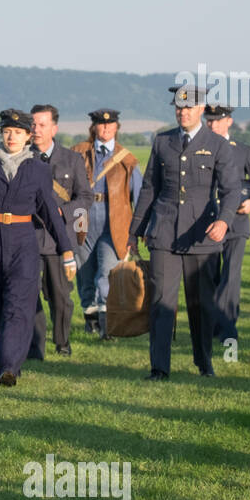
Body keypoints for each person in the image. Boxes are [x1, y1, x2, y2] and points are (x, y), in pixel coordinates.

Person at [0, 109, 76, 386]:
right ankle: (0, 362)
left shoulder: (38, 169)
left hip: (24, 241)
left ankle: (9, 367)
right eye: (7, 131)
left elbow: (50, 212)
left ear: (28, 137)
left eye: (18, 132)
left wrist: (66, 249)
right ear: (1, 134)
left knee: (18, 305)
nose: (12, 137)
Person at [128, 84, 240, 380]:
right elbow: (150, 188)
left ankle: (204, 362)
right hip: (164, 232)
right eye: (179, 107)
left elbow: (231, 191)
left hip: (202, 236)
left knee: (201, 305)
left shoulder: (217, 145)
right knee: (161, 302)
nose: (183, 112)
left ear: (202, 109)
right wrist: (135, 229)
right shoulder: (162, 141)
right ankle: (159, 368)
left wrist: (225, 221)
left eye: (189, 107)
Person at [26, 104, 92, 359]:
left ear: (54, 128)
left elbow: (85, 197)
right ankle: (35, 346)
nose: (36, 130)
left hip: (59, 240)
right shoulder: (22, 158)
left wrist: (64, 212)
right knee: (30, 295)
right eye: (33, 124)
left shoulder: (72, 159)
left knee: (61, 296)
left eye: (42, 125)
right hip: (29, 237)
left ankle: (62, 341)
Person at [69, 110, 142, 338]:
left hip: (115, 220)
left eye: (110, 125)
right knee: (84, 271)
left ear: (117, 128)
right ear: (94, 127)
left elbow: (139, 196)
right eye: (101, 125)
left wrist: (138, 230)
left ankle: (106, 324)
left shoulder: (128, 160)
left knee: (107, 272)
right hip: (83, 216)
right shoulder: (78, 153)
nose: (106, 129)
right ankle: (90, 319)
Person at [202, 104, 250, 344]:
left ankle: (227, 329)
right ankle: (212, 326)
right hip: (208, 224)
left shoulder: (242, 151)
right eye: (208, 121)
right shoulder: (199, 149)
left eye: (217, 121)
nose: (212, 125)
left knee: (231, 277)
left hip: (237, 224)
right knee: (209, 277)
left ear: (229, 122)